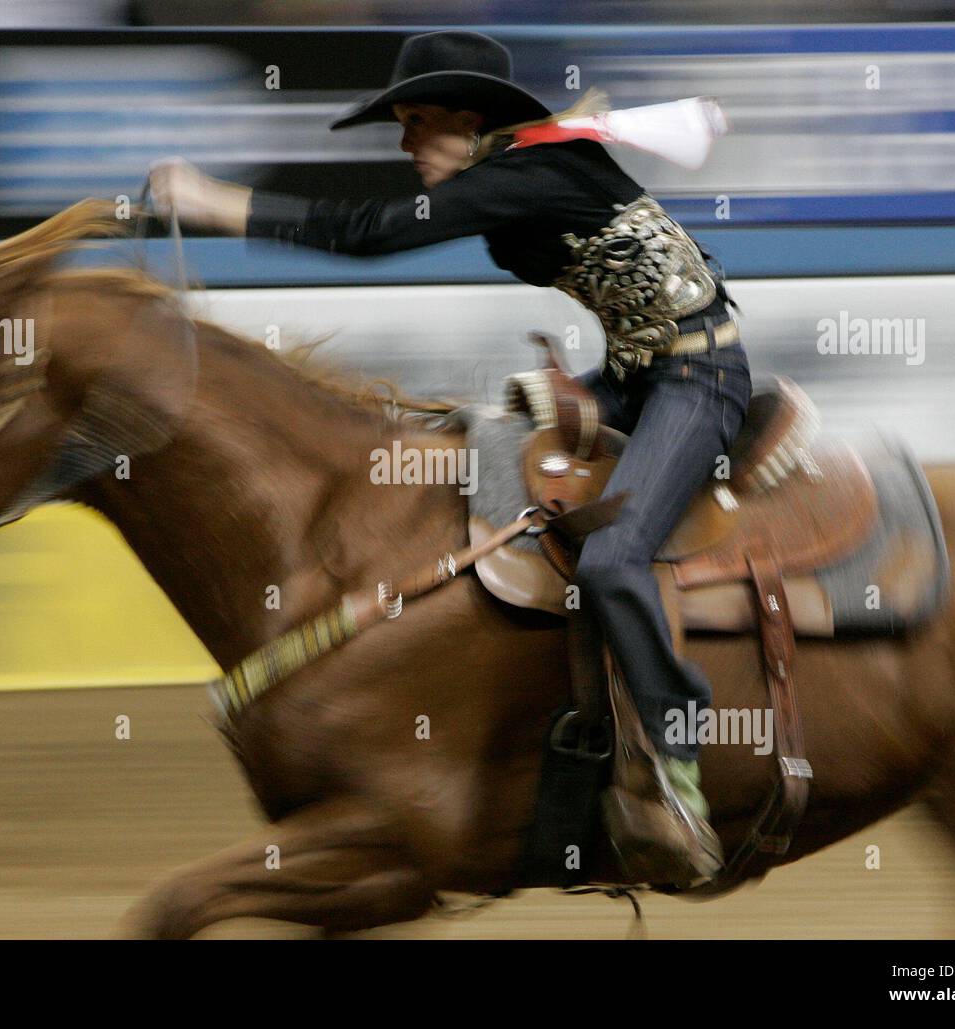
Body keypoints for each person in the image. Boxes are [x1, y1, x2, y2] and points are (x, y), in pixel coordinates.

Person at [148, 29, 751, 884]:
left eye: (415, 121)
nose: (402, 144)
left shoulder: (520, 173)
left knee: (615, 556)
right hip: (634, 374)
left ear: (469, 122)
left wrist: (218, 202)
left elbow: (365, 233)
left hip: (698, 378)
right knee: (474, 437)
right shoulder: (527, 164)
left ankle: (673, 762)